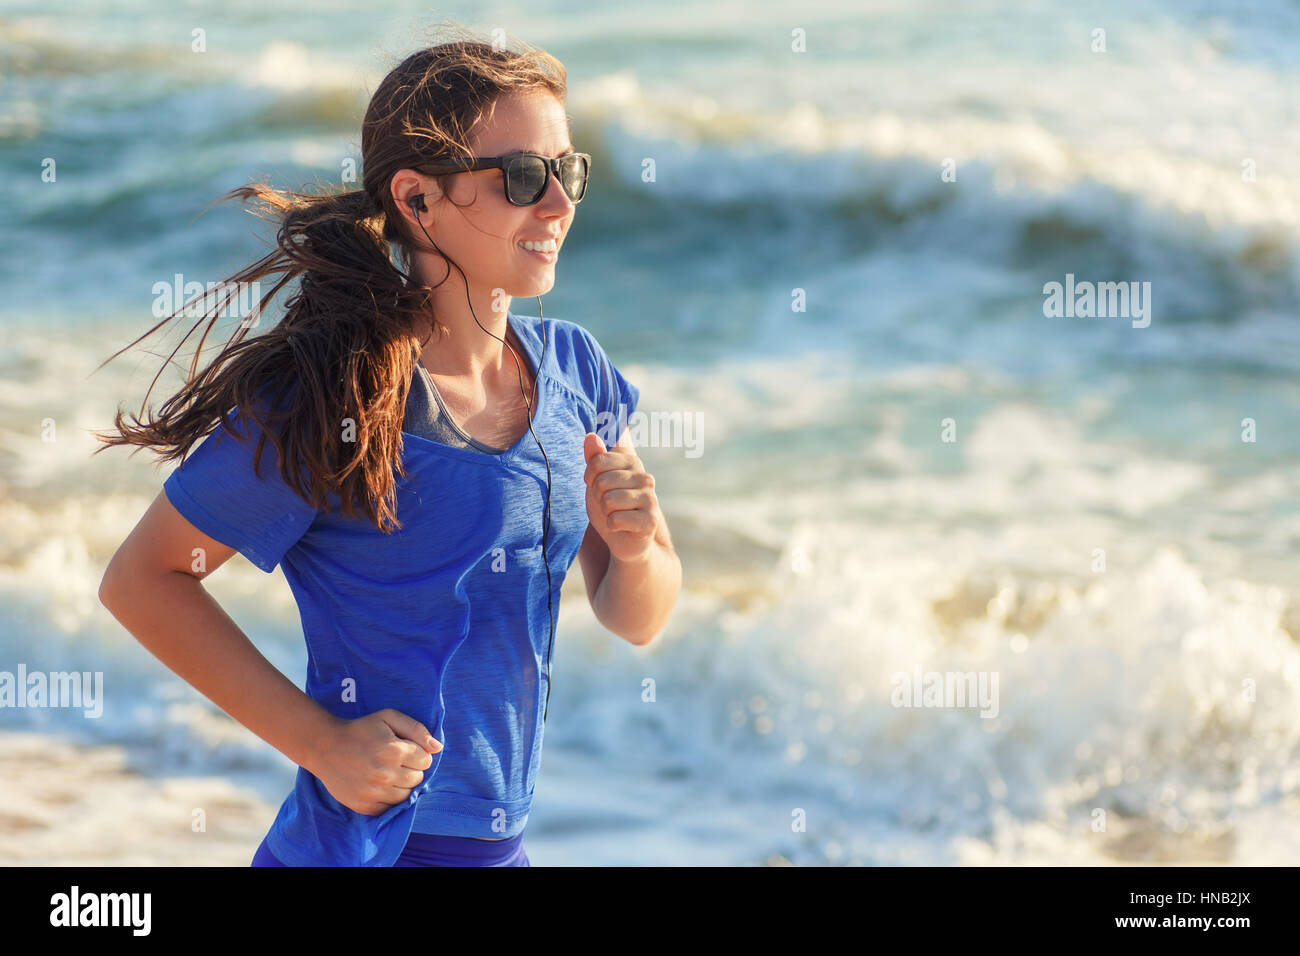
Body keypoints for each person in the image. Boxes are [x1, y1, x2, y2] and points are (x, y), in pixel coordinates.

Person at [93, 32, 682, 866]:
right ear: (418, 199)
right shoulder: (335, 394)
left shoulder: (578, 370)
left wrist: (634, 550)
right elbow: (144, 579)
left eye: (569, 171)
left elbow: (637, 616)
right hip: (365, 849)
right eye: (522, 178)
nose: (557, 205)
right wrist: (321, 743)